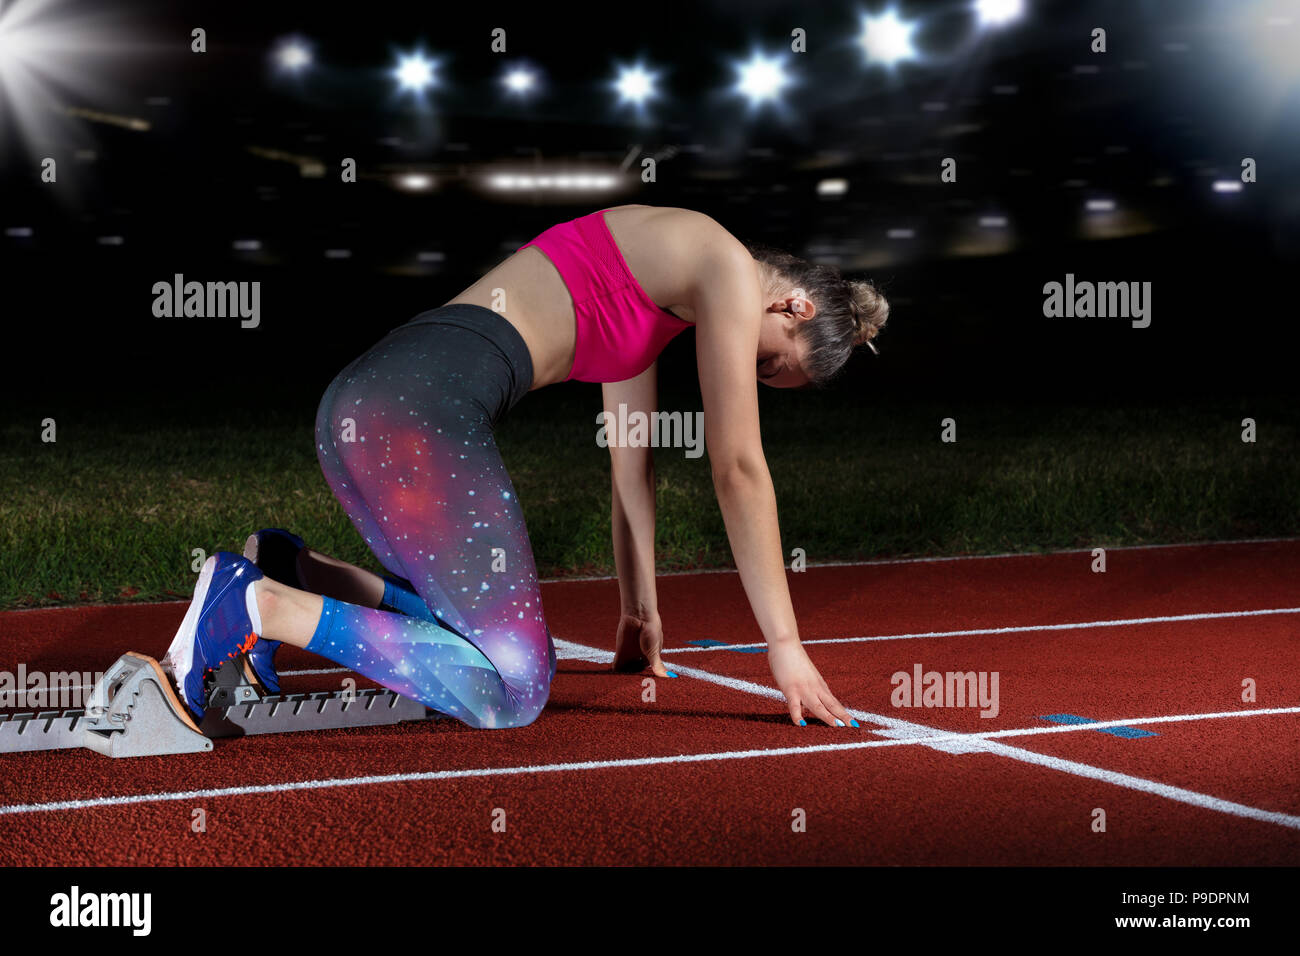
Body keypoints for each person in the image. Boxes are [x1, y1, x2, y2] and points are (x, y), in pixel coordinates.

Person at [164, 204, 888, 730]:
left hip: (367, 402)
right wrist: (785, 647)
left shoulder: (662, 292)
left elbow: (629, 469)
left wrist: (640, 612)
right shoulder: (722, 260)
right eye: (768, 361)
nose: (745, 369)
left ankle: (291, 570)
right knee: (510, 691)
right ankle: (254, 605)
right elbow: (737, 466)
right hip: (416, 413)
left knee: (466, 636)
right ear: (792, 305)